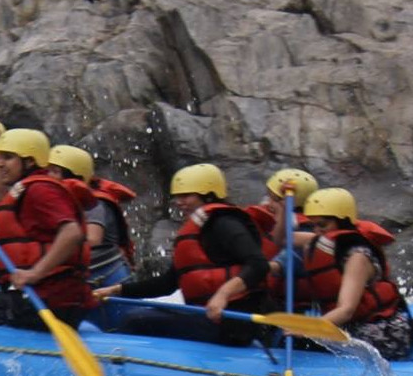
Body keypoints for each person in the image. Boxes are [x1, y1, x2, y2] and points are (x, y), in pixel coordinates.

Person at [93, 163, 277, 346]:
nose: (179, 202)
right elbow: (168, 283)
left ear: (208, 195)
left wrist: (222, 294)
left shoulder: (225, 223)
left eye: (186, 196)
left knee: (134, 321)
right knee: (139, 314)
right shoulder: (202, 228)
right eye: (177, 197)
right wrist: (117, 290)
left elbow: (258, 264)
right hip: (209, 317)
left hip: (233, 324)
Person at [0, 129, 96, 330]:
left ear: (30, 162)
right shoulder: (23, 190)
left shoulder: (41, 190)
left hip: (53, 300)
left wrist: (34, 273)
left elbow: (72, 233)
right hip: (44, 295)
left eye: (8, 158)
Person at [285, 188, 413, 360]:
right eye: (313, 225)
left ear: (342, 222)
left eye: (322, 225)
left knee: (302, 343)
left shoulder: (358, 256)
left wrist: (309, 329)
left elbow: (346, 310)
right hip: (350, 326)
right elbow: (284, 239)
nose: (317, 231)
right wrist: (281, 208)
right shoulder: (327, 241)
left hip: (382, 332)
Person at [47, 144, 138, 287]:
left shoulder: (93, 202)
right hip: (86, 275)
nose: (49, 177)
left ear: (75, 176)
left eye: (55, 172)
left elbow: (93, 239)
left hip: (106, 275)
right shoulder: (62, 202)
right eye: (48, 171)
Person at [245, 168, 318, 245]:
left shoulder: (305, 228)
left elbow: (279, 240)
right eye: (269, 196)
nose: (269, 202)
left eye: (275, 199)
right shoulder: (265, 210)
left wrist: (282, 211)